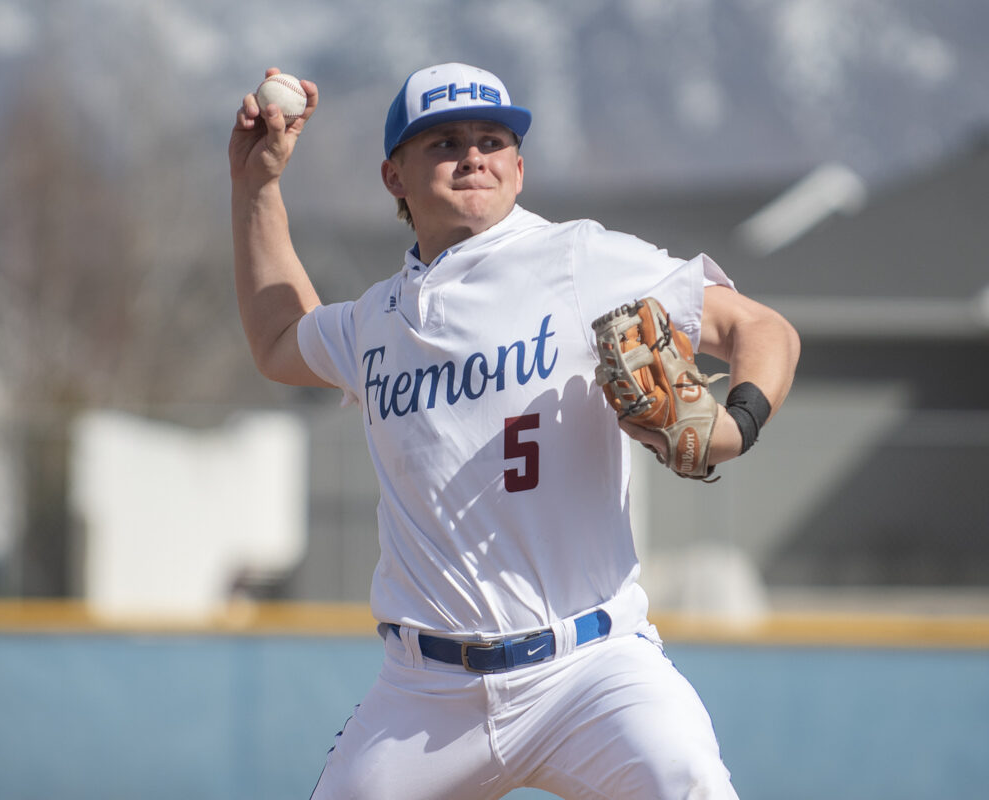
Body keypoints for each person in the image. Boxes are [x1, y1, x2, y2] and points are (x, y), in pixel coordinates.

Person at [229, 62, 800, 800]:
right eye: (442, 141)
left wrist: (737, 423)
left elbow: (759, 327)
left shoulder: (577, 260)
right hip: (425, 696)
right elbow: (279, 339)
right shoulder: (376, 319)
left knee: (686, 781)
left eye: (492, 138)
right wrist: (257, 186)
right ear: (393, 176)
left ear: (519, 168)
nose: (472, 154)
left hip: (590, 670)